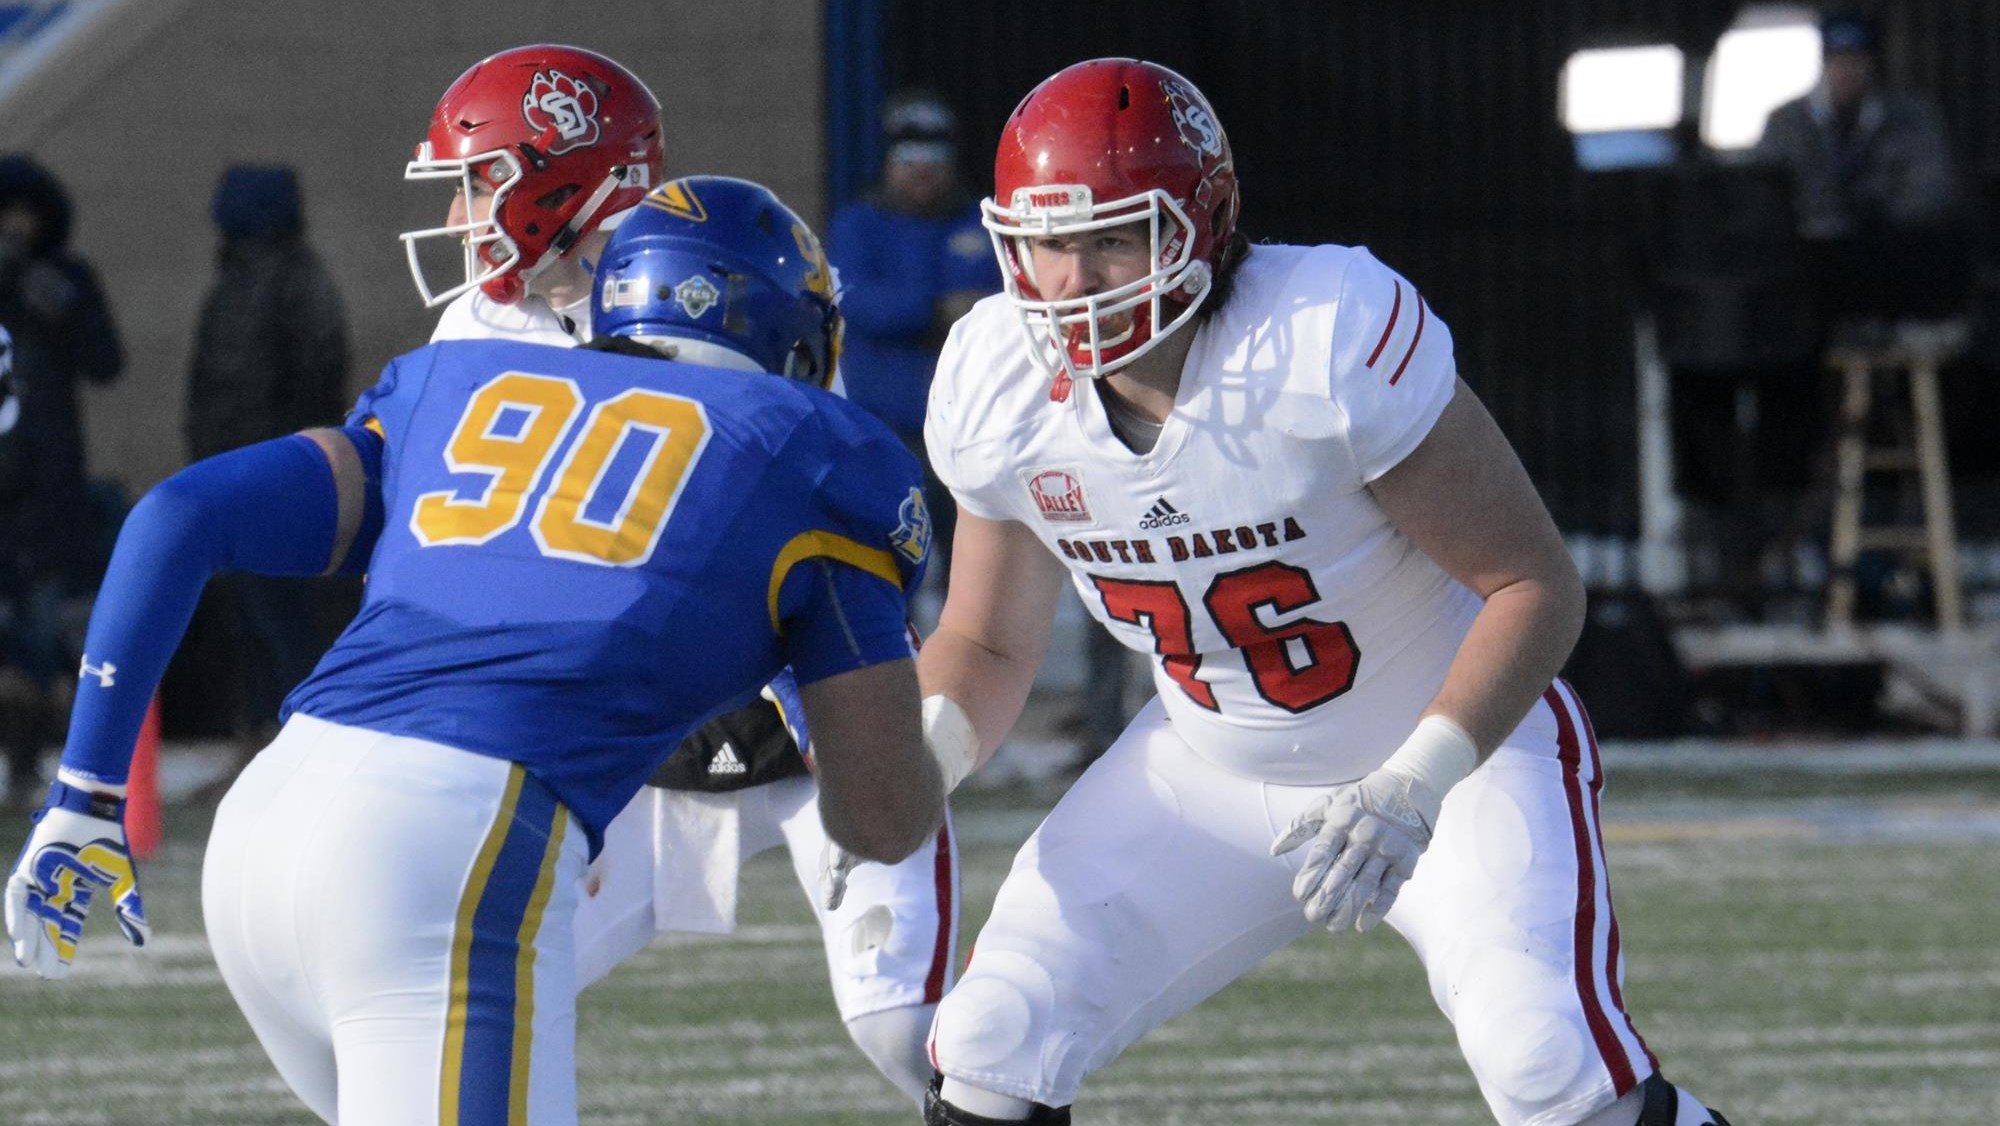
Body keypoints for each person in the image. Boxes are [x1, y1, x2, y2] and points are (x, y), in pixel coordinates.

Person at [5, 174, 949, 1124]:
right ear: (796, 337)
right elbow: (876, 818)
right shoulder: (817, 450)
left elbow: (177, 514)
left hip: (265, 825)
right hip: (445, 847)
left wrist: (85, 792)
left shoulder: (452, 379)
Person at [913, 59, 1734, 1125]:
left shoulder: (1319, 338)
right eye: (1045, 243)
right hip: (1207, 763)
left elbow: (1533, 585)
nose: (1072, 280)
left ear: (1203, 222)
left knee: (1547, 1067)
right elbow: (982, 643)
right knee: (990, 1041)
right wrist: (915, 765)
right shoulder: (998, 379)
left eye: (1112, 237)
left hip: (1450, 753)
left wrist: (1413, 783)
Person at [401, 44, 960, 1105]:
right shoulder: (476, 332)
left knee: (915, 1032)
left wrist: (840, 721)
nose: (461, 216)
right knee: (451, 1000)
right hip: (629, 740)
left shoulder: (733, 272)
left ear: (568, 185)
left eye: (482, 182)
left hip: (797, 711)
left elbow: (808, 522)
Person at [187, 163, 352, 750]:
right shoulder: (239, 280)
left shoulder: (293, 282)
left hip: (273, 481)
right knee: (250, 618)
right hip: (233, 478)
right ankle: (258, 736)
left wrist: (289, 466)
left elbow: (316, 380)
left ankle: (295, 741)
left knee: (282, 616)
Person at [827, 90, 1002, 599]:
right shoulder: (857, 224)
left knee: (972, 570)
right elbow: (857, 303)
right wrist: (934, 310)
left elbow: (1002, 302)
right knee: (881, 562)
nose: (923, 170)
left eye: (936, 157)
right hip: (882, 427)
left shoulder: (980, 222)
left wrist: (944, 312)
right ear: (887, 162)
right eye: (909, 158)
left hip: (966, 428)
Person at [0, 153, 123, 807]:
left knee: (42, 638)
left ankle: (30, 768)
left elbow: (107, 363)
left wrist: (64, 308)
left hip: (46, 493)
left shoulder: (64, 280)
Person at [1753, 10, 1970, 324]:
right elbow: (1762, 195)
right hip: (1803, 265)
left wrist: (1874, 209)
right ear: (1823, 64)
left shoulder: (1911, 117)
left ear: (1873, 65)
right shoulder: (1785, 122)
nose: (1846, 71)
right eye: (1837, 60)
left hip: (1888, 260)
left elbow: (1934, 190)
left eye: (1857, 60)